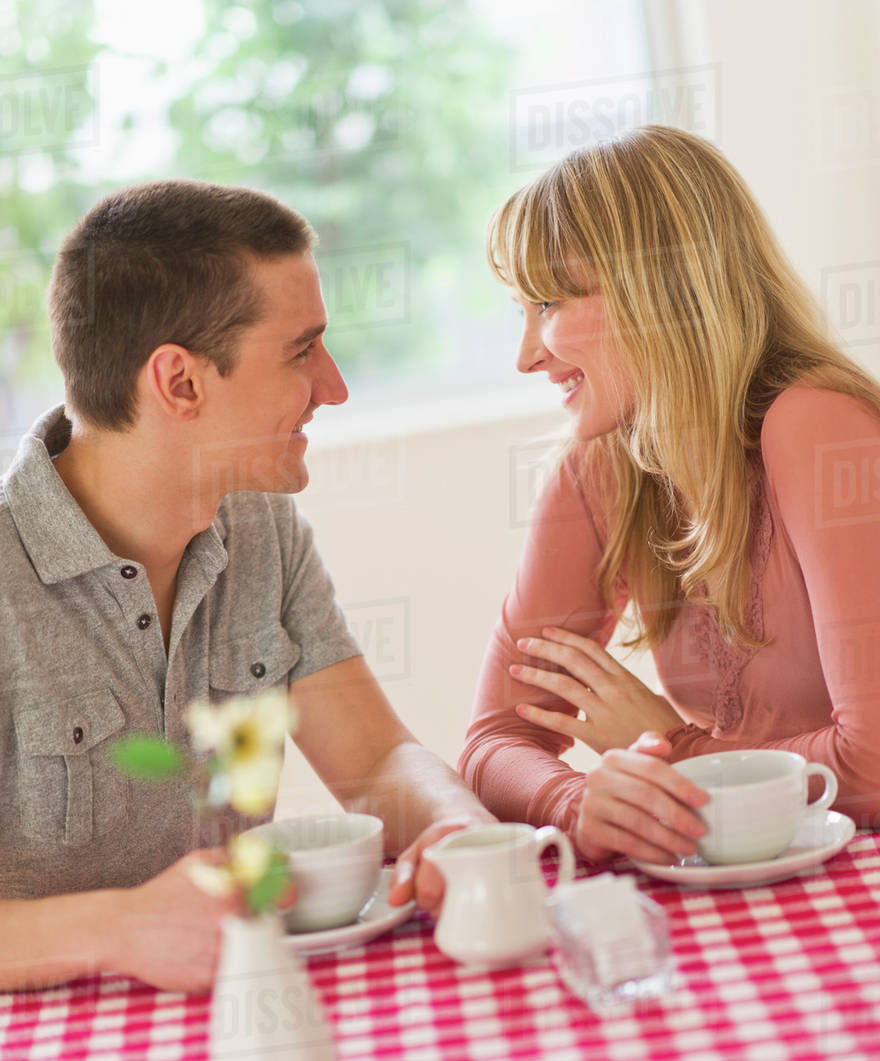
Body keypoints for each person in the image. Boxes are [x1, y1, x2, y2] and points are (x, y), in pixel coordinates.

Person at [0, 179, 492, 994]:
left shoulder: (259, 527)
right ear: (181, 383)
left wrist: (453, 826)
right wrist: (115, 930)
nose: (333, 387)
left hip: (244, 1014)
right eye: (302, 351)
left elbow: (376, 758)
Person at [459, 124, 880, 868]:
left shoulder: (814, 425)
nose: (526, 356)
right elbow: (496, 743)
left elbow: (874, 767)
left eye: (550, 303)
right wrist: (578, 802)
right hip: (749, 871)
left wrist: (678, 752)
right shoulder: (599, 472)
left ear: (661, 289)